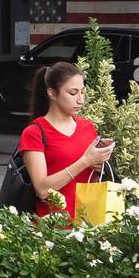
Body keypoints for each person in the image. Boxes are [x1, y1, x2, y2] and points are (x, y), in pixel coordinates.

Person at [17, 61, 114, 224]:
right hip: (53, 230)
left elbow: (92, 177)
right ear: (52, 93)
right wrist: (86, 161)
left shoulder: (87, 127)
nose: (80, 100)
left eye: (83, 92)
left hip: (88, 225)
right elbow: (42, 189)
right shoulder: (34, 133)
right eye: (73, 93)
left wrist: (99, 163)